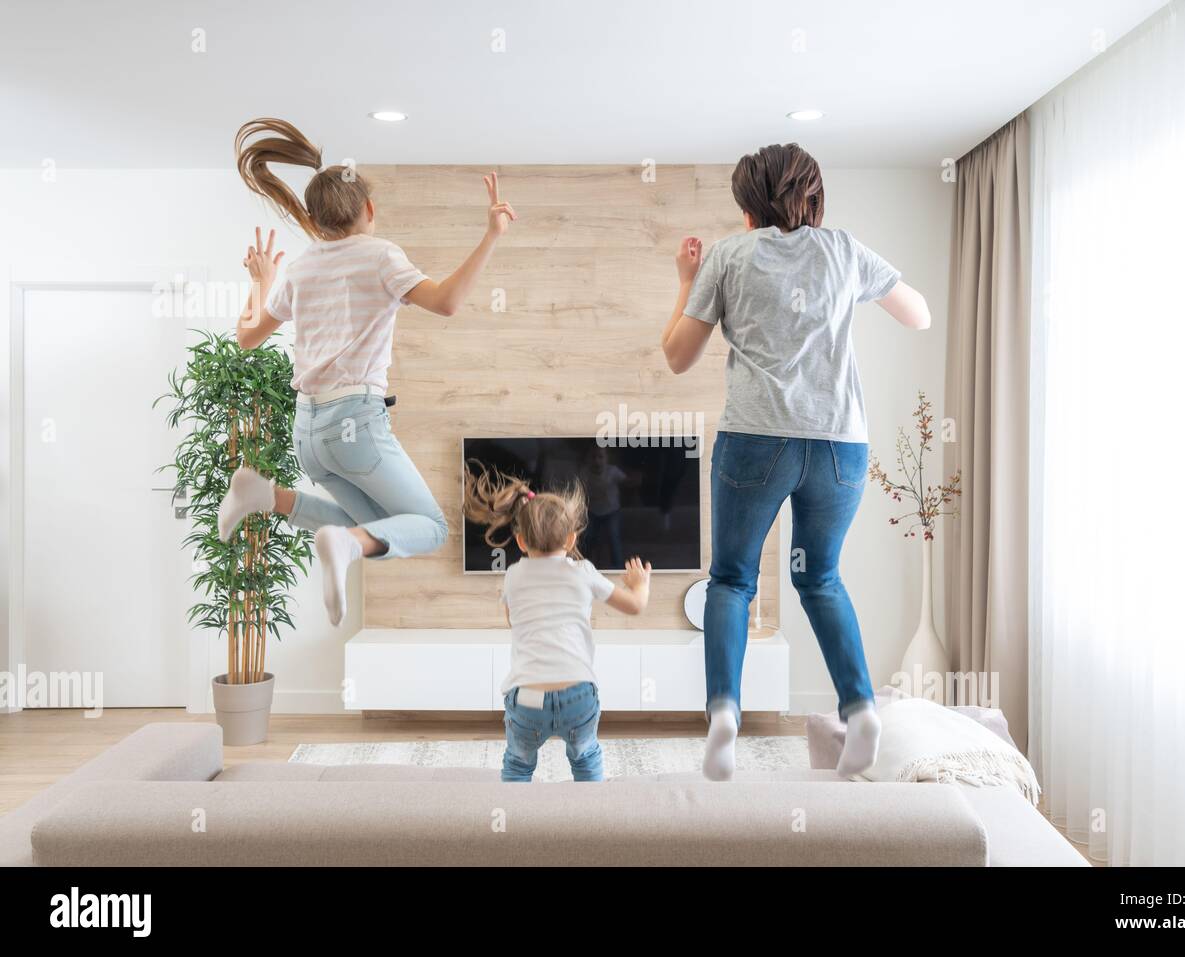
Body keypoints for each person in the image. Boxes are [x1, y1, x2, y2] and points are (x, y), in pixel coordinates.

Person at [660, 143, 932, 780]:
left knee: (731, 580)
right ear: (812, 193)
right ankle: (861, 709)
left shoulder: (728, 255)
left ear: (749, 205)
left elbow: (677, 357)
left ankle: (724, 713)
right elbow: (918, 315)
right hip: (840, 448)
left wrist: (684, 283)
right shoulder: (843, 249)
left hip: (756, 443)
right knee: (820, 580)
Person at [217, 117, 516, 625]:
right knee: (430, 526)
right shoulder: (380, 256)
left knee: (375, 526)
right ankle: (338, 541)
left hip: (308, 433)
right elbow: (446, 302)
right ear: (369, 211)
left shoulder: (303, 267)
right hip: (354, 423)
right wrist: (491, 235)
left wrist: (260, 282)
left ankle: (265, 495)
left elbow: (247, 336)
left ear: (316, 219)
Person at [462, 462, 652, 782]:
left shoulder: (513, 576)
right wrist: (640, 584)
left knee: (518, 764)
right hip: (577, 693)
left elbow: (513, 620)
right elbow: (634, 607)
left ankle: (513, 819)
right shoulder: (583, 572)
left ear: (520, 542)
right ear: (571, 538)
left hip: (527, 698)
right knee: (585, 755)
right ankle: (587, 819)